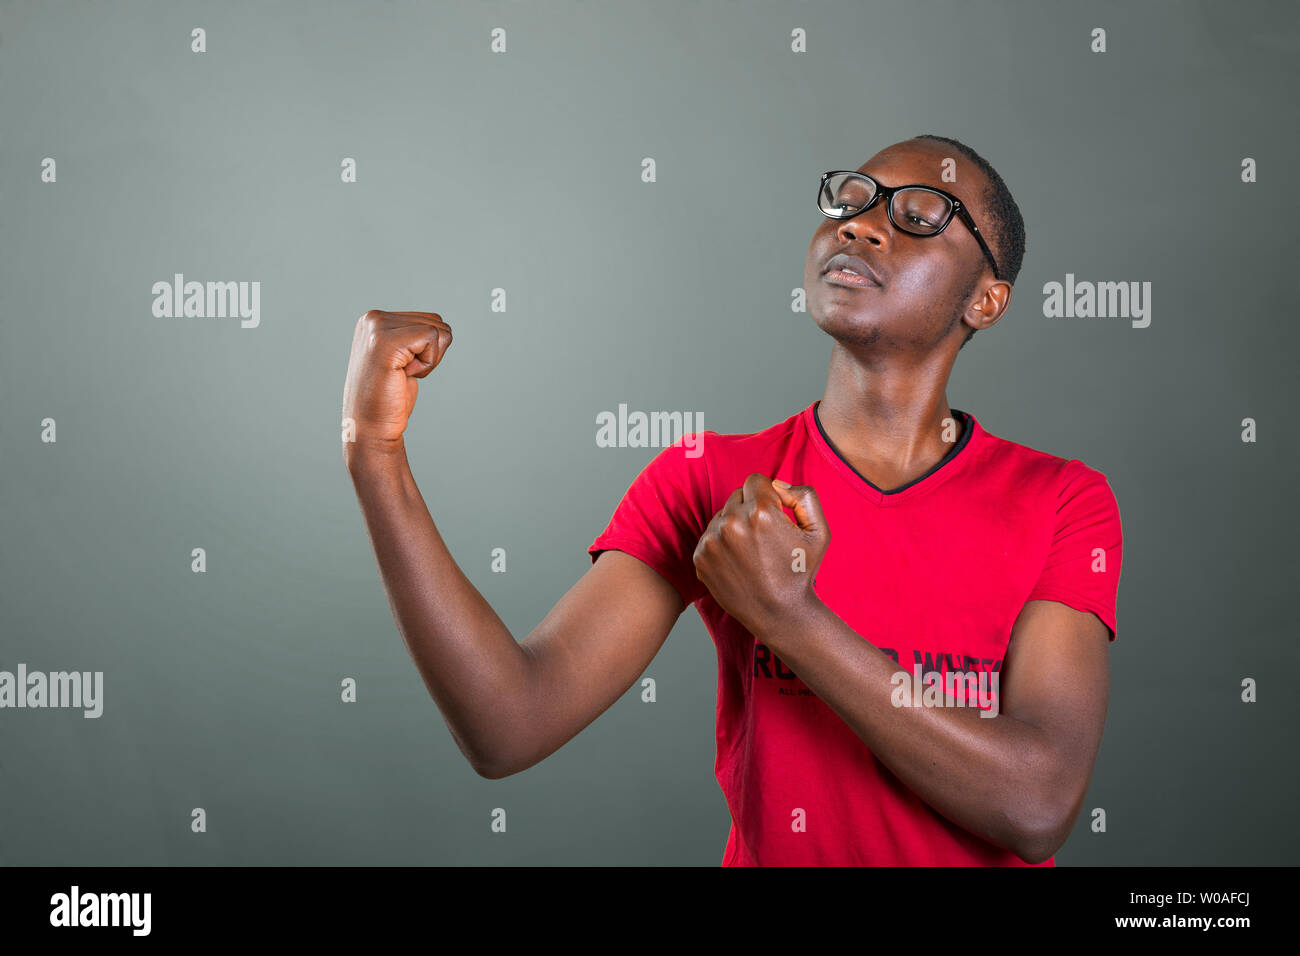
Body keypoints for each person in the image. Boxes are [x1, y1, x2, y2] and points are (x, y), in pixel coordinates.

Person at [340, 134, 1123, 866]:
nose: (862, 228)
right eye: (851, 201)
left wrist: (791, 618)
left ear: (985, 301)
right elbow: (506, 725)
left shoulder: (1062, 502)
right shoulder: (708, 479)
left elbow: (1035, 803)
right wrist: (376, 456)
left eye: (918, 215)